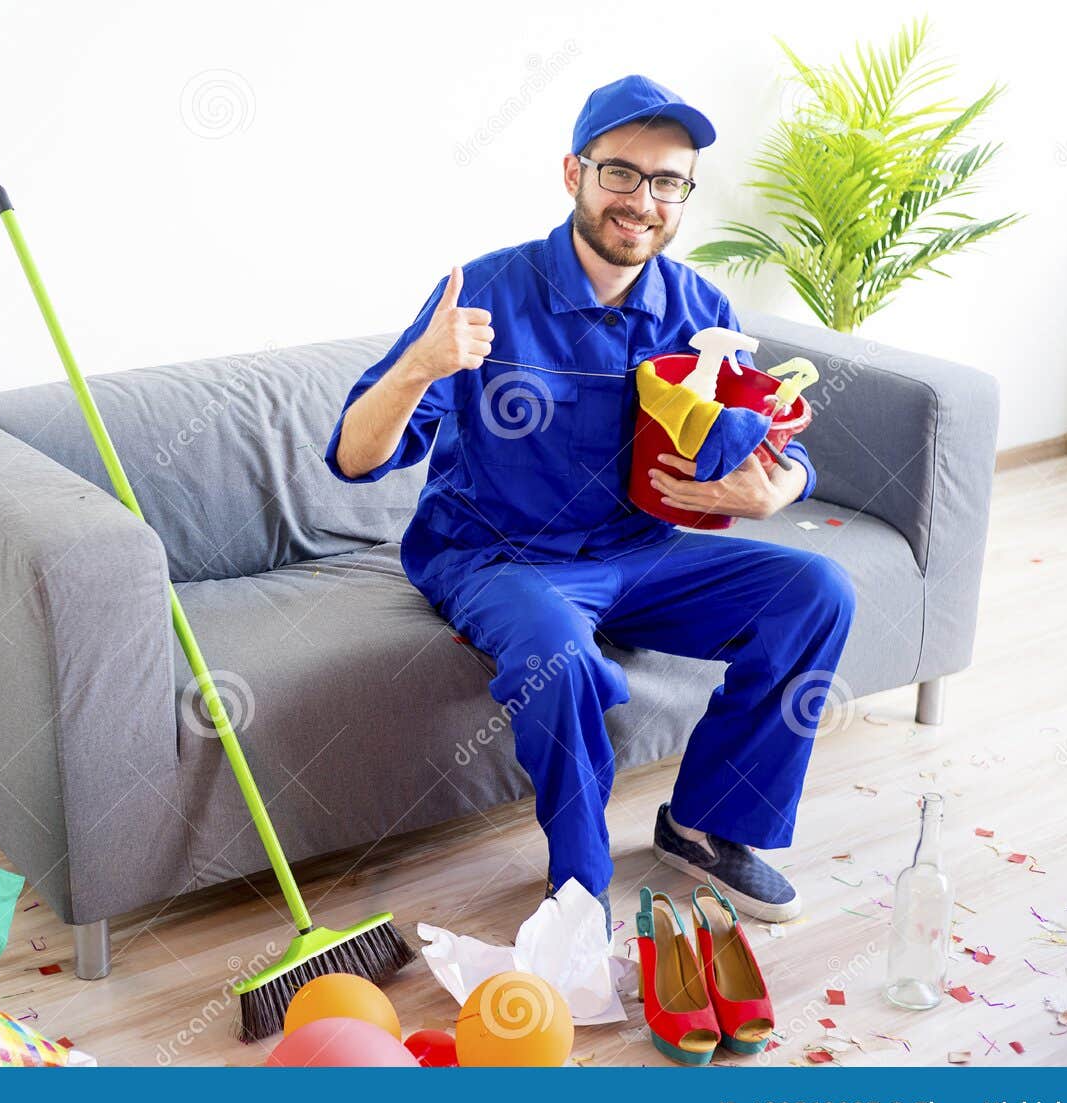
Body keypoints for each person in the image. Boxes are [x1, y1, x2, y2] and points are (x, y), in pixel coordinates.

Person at [324, 75, 856, 933]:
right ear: (573, 171)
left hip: (641, 553)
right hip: (497, 556)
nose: (642, 201)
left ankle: (703, 828)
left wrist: (777, 486)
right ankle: (578, 885)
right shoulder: (484, 291)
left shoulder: (698, 310)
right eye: (620, 173)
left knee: (818, 591)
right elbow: (354, 456)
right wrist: (419, 365)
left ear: (684, 195)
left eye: (667, 181)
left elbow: (778, 441)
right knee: (559, 655)